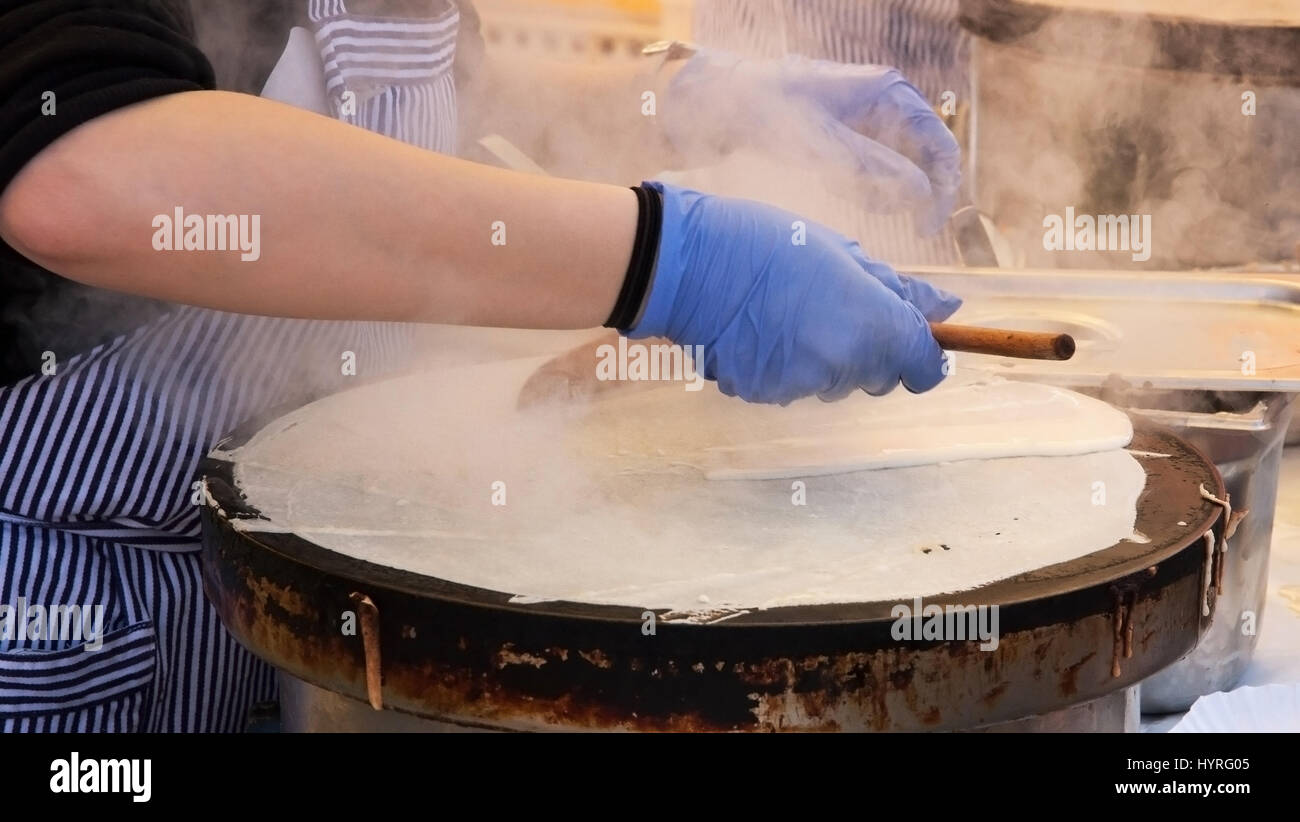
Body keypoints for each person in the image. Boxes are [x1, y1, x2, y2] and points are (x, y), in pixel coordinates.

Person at [0, 0, 960, 731]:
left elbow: (417, 116)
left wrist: (675, 101)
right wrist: (664, 259)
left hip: (271, 604)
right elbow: (86, 178)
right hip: (71, 632)